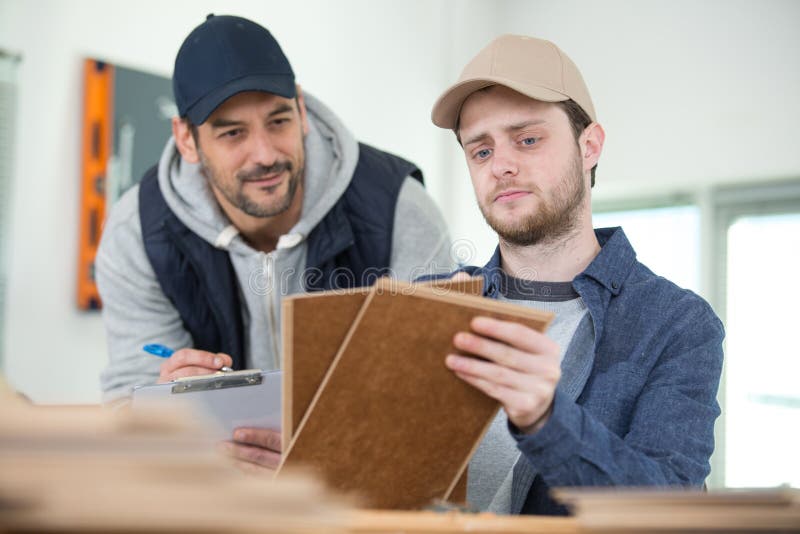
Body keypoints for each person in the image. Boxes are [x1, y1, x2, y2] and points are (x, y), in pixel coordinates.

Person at [97, 15, 453, 471]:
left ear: (302, 111)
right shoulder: (137, 232)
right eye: (233, 133)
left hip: (362, 492)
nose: (264, 154)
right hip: (215, 498)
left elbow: (438, 401)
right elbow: (127, 402)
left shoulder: (399, 208)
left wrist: (325, 449)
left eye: (278, 120)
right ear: (187, 139)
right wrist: (167, 407)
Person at [427, 35, 724, 515]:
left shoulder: (676, 325)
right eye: (480, 151)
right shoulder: (428, 304)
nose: (501, 165)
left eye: (527, 139)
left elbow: (669, 512)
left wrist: (547, 420)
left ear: (589, 147)